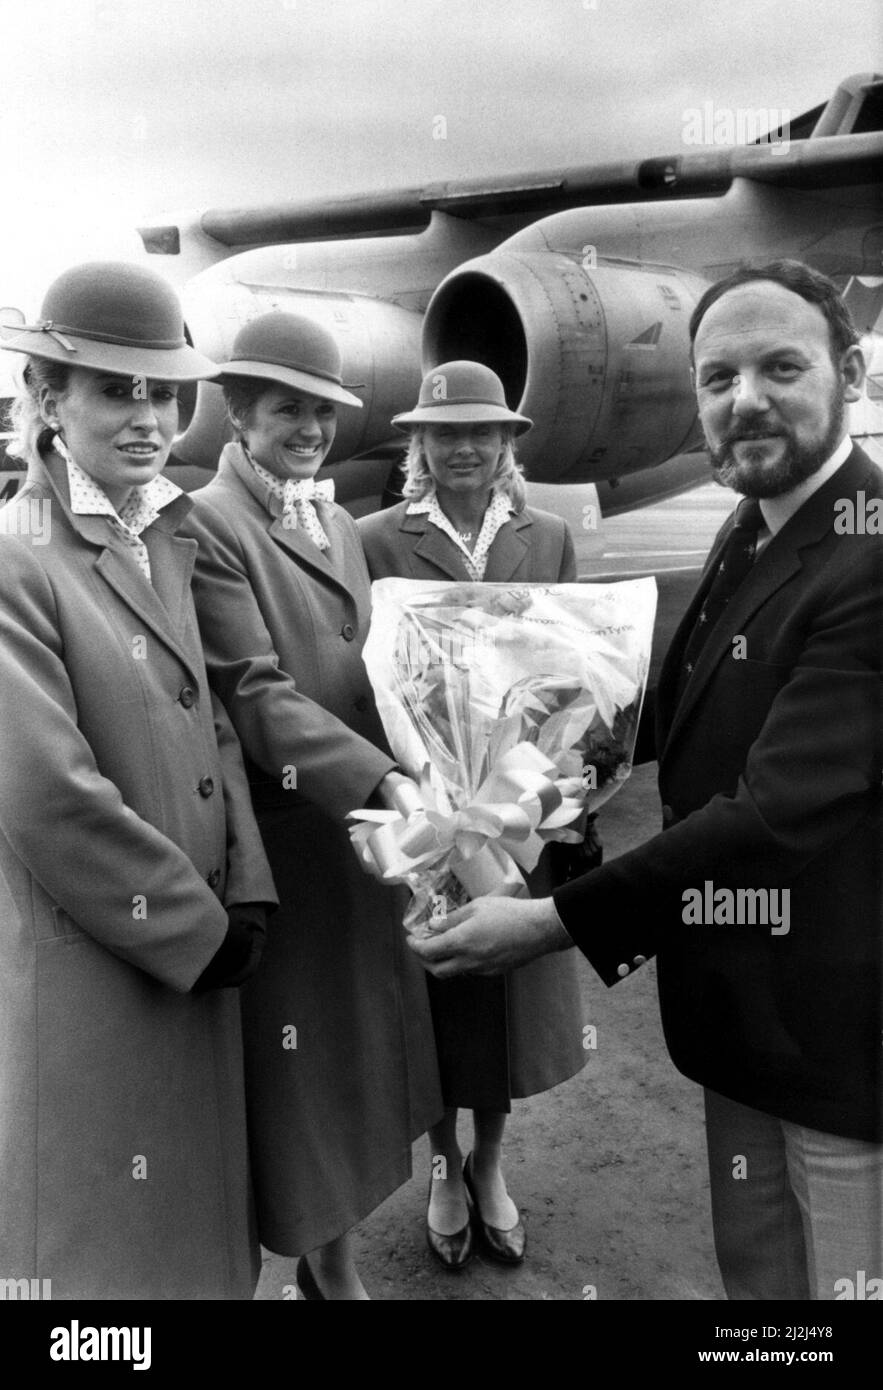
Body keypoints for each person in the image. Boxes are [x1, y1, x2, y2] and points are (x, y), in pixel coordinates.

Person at [410, 263, 883, 1300]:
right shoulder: (752, 520)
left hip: (839, 1038)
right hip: (740, 1021)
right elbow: (668, 711)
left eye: (779, 367)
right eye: (717, 377)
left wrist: (548, 922)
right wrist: (525, 783)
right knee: (762, 1288)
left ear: (847, 371)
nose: (743, 398)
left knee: (841, 1284)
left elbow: (771, 811)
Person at [0, 261, 277, 1300]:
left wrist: (244, 875)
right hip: (109, 959)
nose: (147, 414)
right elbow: (45, 795)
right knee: (102, 1259)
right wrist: (197, 928)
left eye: (162, 390)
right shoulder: (19, 557)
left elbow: (208, 719)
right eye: (115, 388)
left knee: (192, 1238)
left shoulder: (158, 532)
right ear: (46, 399)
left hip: (190, 938)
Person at [182, 311, 442, 1301]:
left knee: (363, 1075)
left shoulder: (330, 518)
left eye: (322, 409)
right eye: (284, 406)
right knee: (305, 1083)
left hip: (367, 845)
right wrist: (381, 780)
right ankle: (318, 1269)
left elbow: (372, 666)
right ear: (238, 413)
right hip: (299, 841)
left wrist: (445, 739)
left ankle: (333, 1262)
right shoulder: (207, 522)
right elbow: (255, 693)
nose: (308, 426)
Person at [359, 361, 591, 1269]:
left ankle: (489, 1164)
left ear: (506, 445)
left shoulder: (552, 537)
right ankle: (443, 1167)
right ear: (419, 444)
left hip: (510, 810)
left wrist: (557, 787)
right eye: (443, 432)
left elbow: (575, 677)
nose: (463, 447)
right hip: (424, 807)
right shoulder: (373, 537)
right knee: (432, 998)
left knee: (497, 994)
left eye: (480, 432)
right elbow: (362, 676)